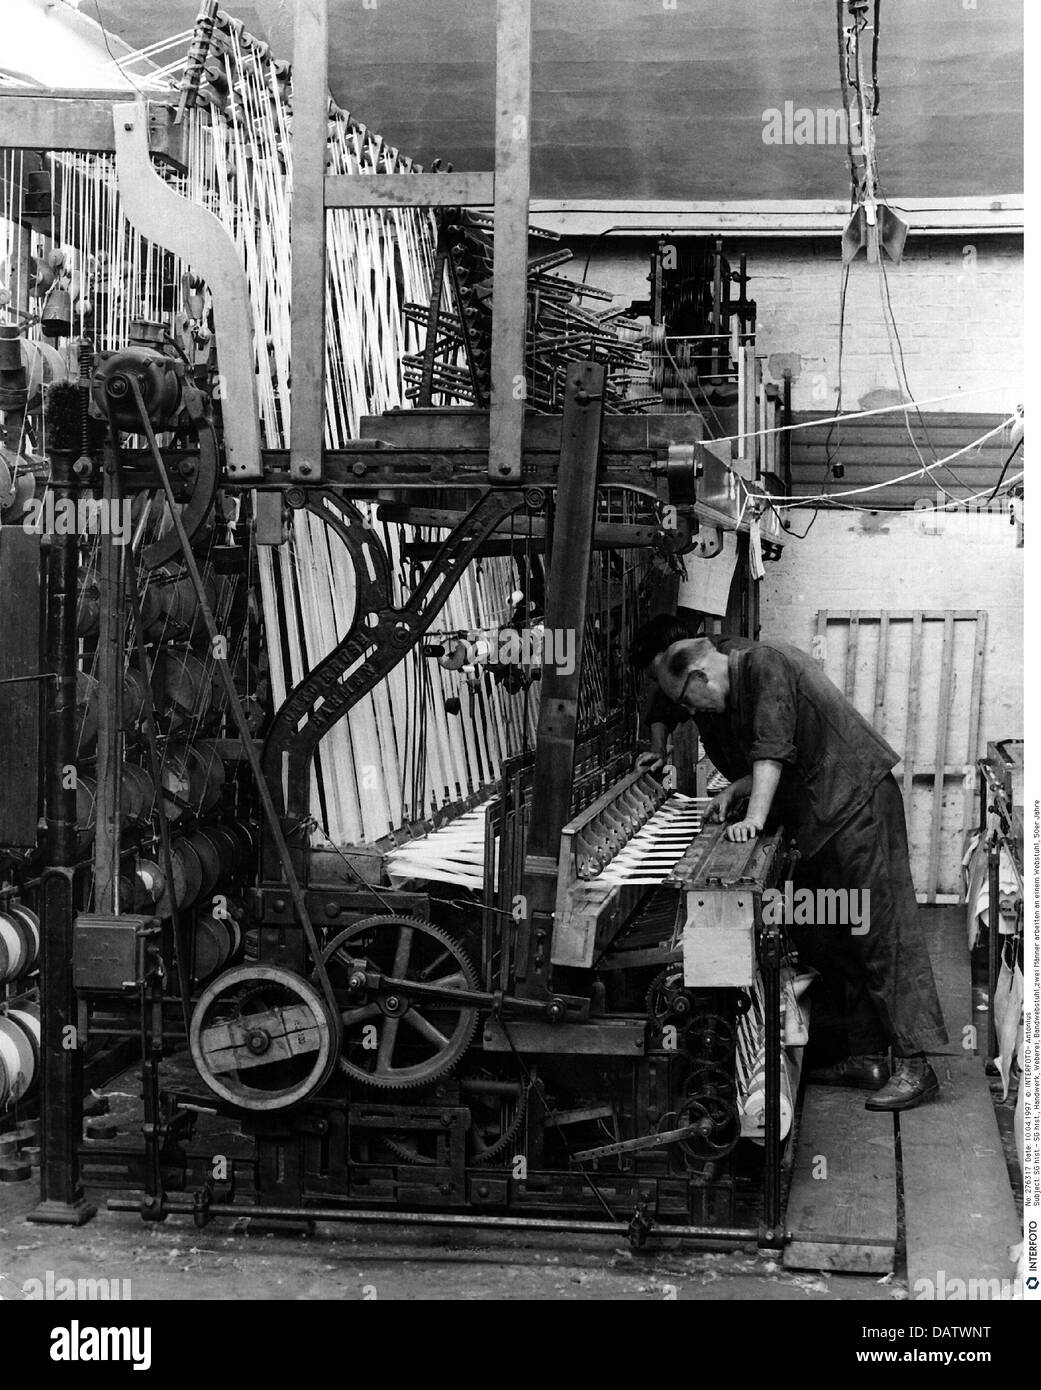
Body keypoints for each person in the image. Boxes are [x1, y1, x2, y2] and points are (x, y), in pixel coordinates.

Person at [630, 618, 947, 1112]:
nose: (694, 713)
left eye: (691, 703)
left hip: (857, 802)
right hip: (825, 813)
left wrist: (753, 819)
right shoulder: (730, 672)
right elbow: (773, 753)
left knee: (885, 931)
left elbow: (774, 746)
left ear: (700, 675)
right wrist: (738, 789)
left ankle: (916, 1065)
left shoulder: (765, 663)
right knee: (842, 933)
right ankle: (866, 1056)